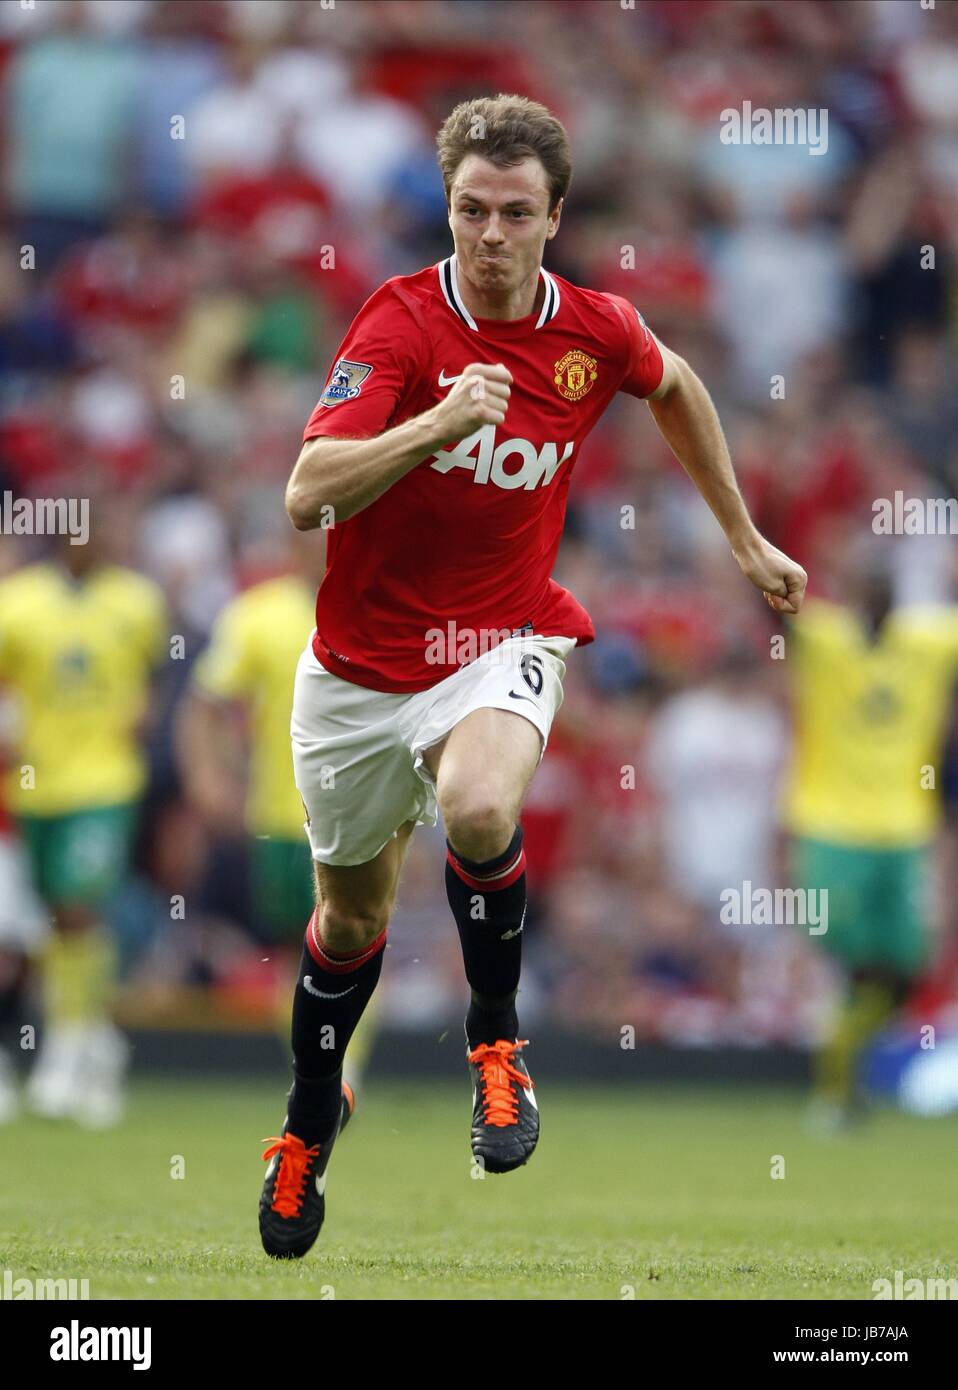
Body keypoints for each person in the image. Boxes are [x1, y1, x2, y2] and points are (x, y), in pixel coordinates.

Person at [259, 93, 807, 1259]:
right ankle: (309, 1123)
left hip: (502, 636)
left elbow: (673, 385)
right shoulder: (400, 327)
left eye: (514, 213)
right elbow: (307, 492)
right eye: (469, 210)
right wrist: (436, 423)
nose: (489, 235)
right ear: (446, 211)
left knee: (479, 803)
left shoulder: (593, 328)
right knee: (348, 921)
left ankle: (495, 1049)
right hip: (358, 672)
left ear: (554, 218)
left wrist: (743, 538)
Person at [178, 532, 378, 1087]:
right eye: (320, 533)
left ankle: (346, 1071)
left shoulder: (383, 607)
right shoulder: (256, 616)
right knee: (296, 945)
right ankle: (314, 1066)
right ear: (296, 542)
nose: (329, 544)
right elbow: (206, 703)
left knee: (359, 932)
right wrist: (207, 775)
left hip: (365, 809)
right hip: (280, 812)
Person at [783, 544, 958, 1128]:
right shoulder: (826, 636)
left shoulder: (930, 642)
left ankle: (843, 1053)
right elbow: (771, 607)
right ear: (855, 587)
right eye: (869, 580)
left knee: (908, 964)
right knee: (851, 957)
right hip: (832, 826)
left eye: (887, 581)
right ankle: (837, 1090)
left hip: (906, 828)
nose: (879, 590)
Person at [0, 530, 167, 1126]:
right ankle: (97, 1041)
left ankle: (68, 1046)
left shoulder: (137, 602)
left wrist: (146, 708)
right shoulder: (17, 603)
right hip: (34, 784)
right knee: (50, 919)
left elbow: (158, 673)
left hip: (104, 781)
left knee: (78, 905)